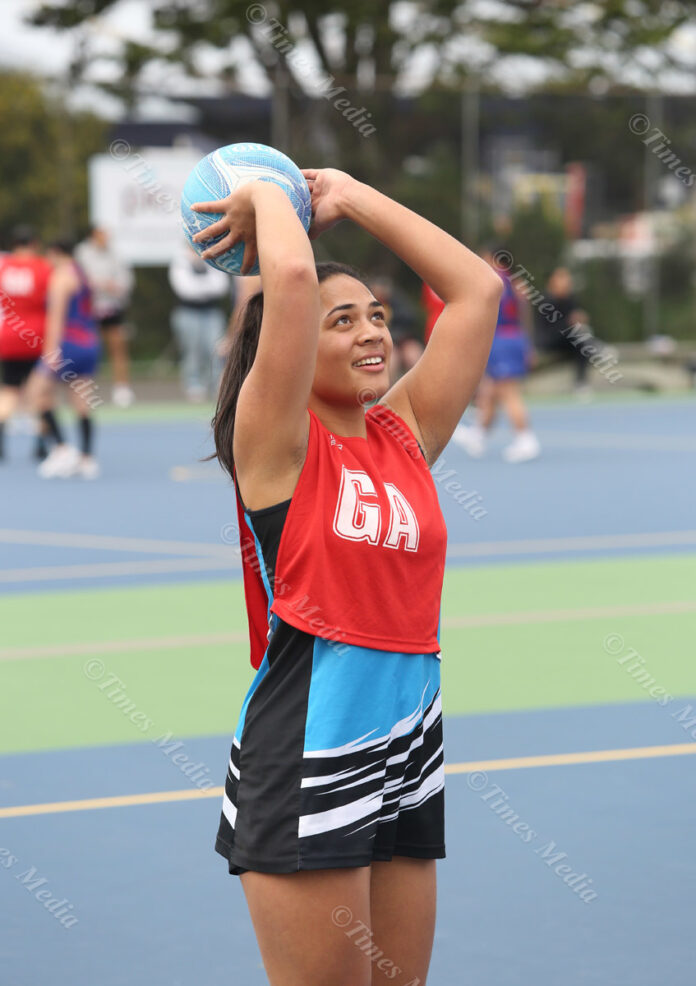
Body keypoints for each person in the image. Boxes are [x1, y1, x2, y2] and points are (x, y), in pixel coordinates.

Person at [191, 167, 502, 986]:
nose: (372, 334)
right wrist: (266, 194)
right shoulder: (275, 443)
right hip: (312, 747)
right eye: (342, 321)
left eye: (378, 317)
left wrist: (354, 195)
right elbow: (289, 280)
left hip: (408, 739)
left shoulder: (402, 434)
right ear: (292, 343)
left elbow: (476, 292)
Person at [453, 246, 541, 463]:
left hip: (502, 340)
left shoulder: (492, 281)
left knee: (508, 392)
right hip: (512, 338)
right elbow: (524, 314)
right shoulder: (515, 282)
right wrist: (528, 345)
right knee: (490, 390)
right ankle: (479, 434)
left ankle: (526, 439)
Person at [27, 240, 102, 479]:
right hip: (88, 342)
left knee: (35, 392)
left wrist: (50, 352)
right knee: (80, 400)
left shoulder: (61, 277)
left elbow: (56, 317)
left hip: (68, 343)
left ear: (54, 252)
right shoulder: (83, 274)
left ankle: (61, 449)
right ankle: (87, 459)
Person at [0, 225, 51, 461]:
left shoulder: (4, 267)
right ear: (34, 243)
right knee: (39, 392)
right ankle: (41, 444)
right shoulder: (43, 267)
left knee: (9, 390)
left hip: (9, 334)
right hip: (37, 336)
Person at [75, 226, 134, 407]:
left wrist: (114, 286)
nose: (105, 238)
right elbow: (80, 279)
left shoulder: (116, 253)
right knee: (88, 348)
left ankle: (122, 388)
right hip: (89, 309)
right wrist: (99, 284)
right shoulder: (82, 253)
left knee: (117, 347)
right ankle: (86, 388)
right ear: (94, 235)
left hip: (112, 306)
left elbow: (126, 280)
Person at [168, 247, 230, 402]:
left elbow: (221, 286)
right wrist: (207, 286)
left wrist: (200, 285)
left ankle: (216, 385)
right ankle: (193, 385)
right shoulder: (180, 260)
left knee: (216, 349)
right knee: (192, 349)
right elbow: (186, 289)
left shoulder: (212, 256)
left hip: (212, 312)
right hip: (188, 312)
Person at [535, 265, 592, 398]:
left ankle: (581, 382)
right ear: (552, 281)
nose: (566, 281)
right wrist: (570, 322)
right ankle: (597, 347)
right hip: (548, 340)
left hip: (567, 339)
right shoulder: (545, 300)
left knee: (582, 337)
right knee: (577, 335)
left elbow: (576, 319)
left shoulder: (570, 298)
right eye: (562, 277)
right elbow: (553, 328)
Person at [370, 275, 424, 379]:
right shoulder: (371, 305)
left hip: (403, 339)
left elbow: (410, 318)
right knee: (391, 360)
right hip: (384, 342)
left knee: (413, 356)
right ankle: (389, 391)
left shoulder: (396, 301)